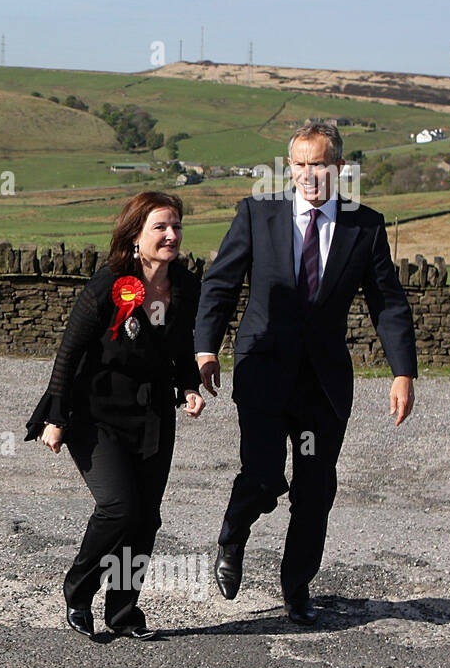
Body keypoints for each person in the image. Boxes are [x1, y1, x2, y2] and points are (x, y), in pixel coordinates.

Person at [195, 120, 418, 626]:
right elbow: (221, 285)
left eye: (318, 163)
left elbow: (387, 304)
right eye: (299, 164)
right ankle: (234, 533)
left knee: (315, 489)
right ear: (289, 166)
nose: (308, 174)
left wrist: (402, 371)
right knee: (264, 476)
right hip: (263, 372)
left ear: (339, 167)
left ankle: (297, 588)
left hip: (322, 384)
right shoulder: (257, 214)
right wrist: (205, 348)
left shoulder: (366, 225)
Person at [25, 191, 205, 640]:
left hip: (152, 415)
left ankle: (123, 612)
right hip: (95, 412)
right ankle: (78, 595)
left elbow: (181, 347)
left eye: (176, 226)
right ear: (135, 236)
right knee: (119, 508)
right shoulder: (111, 281)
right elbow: (71, 350)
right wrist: (56, 415)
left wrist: (188, 387)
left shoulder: (185, 285)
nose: (171, 235)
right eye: (160, 227)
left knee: (146, 518)